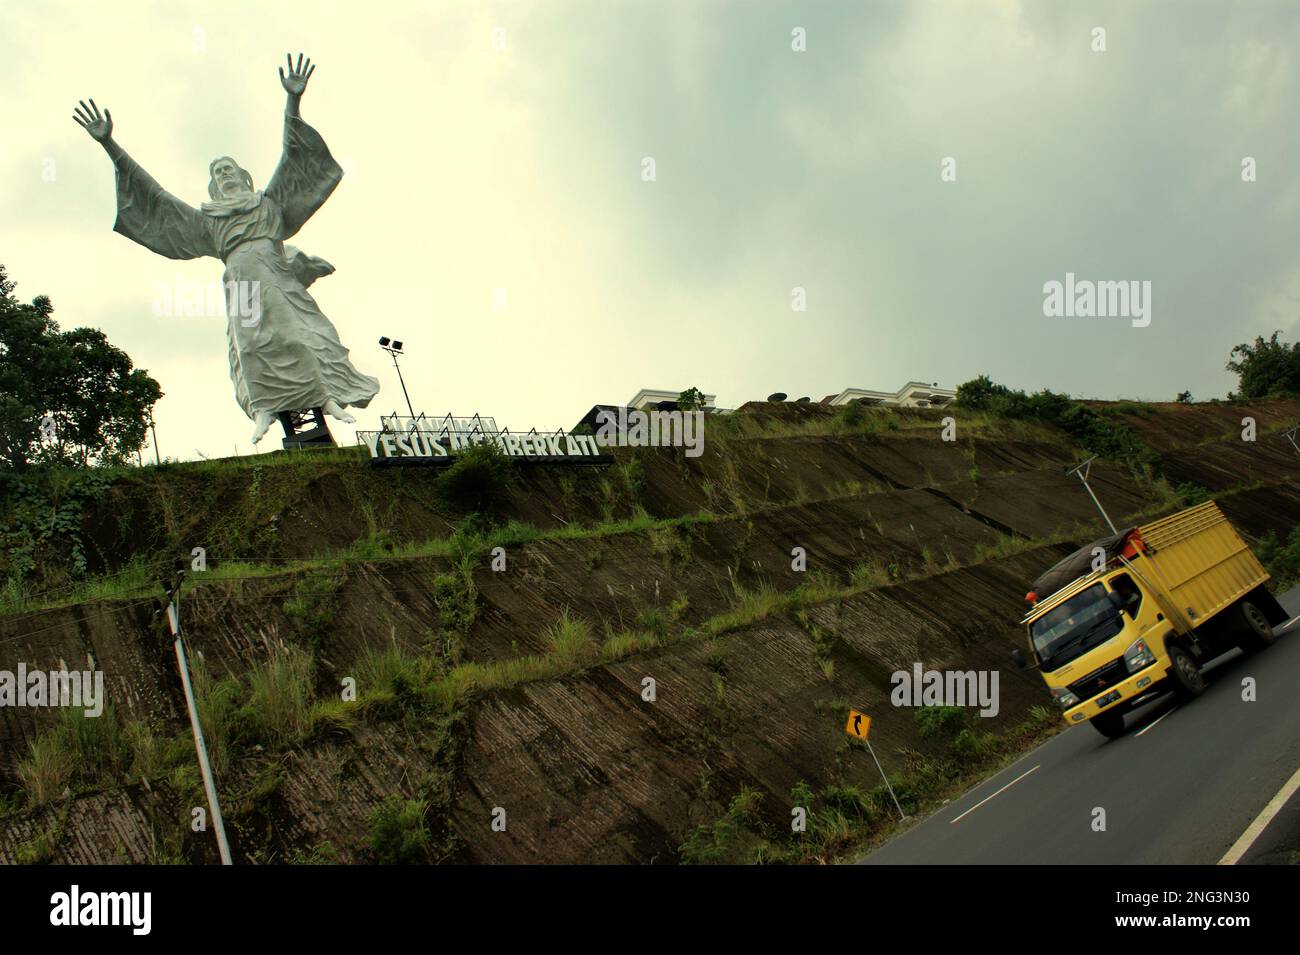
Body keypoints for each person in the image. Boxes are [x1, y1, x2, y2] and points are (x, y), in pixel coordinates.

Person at [73, 53, 379, 444]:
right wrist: (109, 144)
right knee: (251, 345)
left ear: (243, 176)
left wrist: (293, 100)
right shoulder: (209, 221)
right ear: (214, 187)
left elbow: (294, 154)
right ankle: (264, 408)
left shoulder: (269, 203)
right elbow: (155, 196)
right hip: (242, 283)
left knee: (296, 335)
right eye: (218, 173)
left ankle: (327, 399)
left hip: (274, 274)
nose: (225, 174)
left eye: (230, 169)